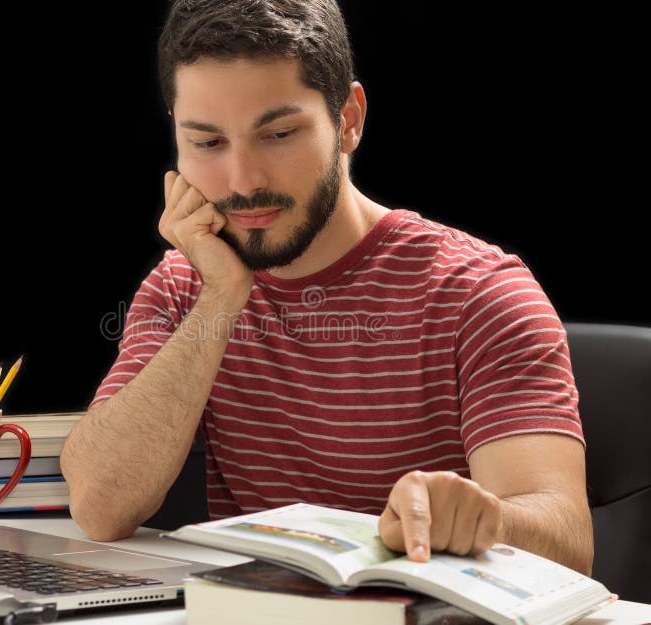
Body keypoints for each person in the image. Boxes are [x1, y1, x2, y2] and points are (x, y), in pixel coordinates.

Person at [61, 0, 593, 574]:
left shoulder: (478, 293)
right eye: (208, 144)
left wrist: (485, 519)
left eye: (278, 133)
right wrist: (221, 295)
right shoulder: (185, 288)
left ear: (350, 119)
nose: (242, 183)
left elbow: (569, 540)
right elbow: (99, 508)